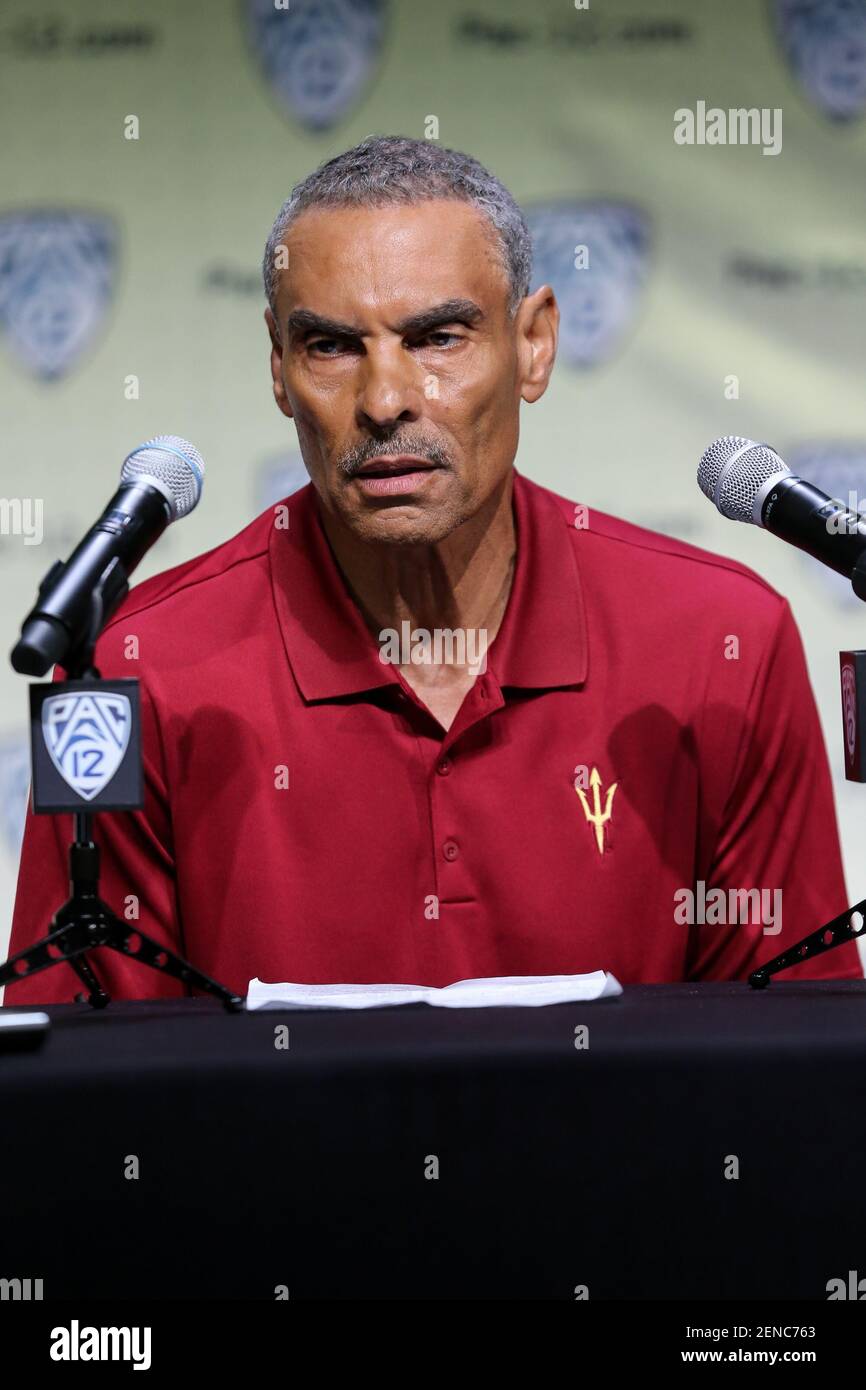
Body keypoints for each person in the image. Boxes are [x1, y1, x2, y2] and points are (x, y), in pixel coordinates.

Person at [5, 135, 861, 1002]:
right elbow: (85, 1090)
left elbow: (783, 1057)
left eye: (438, 338)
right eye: (332, 347)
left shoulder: (722, 643)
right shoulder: (131, 667)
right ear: (277, 367)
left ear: (534, 344)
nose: (385, 400)